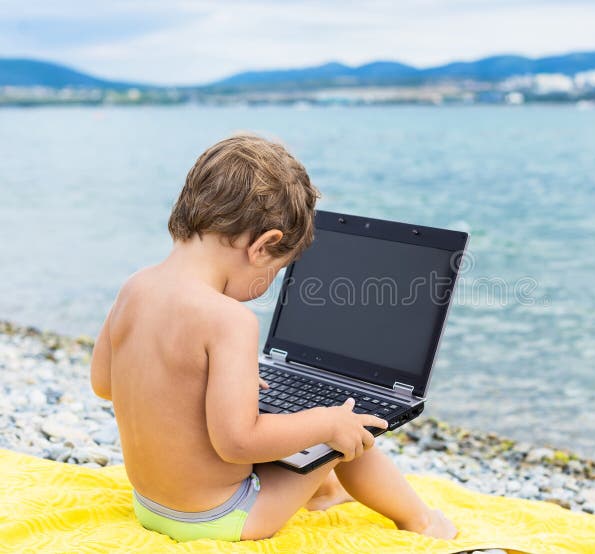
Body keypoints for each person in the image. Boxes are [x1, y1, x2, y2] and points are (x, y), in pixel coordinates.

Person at [89, 134, 458, 542]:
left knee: (314, 428)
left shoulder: (135, 287)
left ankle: (323, 490)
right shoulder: (230, 319)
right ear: (265, 246)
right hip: (219, 517)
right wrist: (324, 422)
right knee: (350, 431)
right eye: (278, 271)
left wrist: (202, 387)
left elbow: (105, 384)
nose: (270, 284)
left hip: (151, 504)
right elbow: (237, 443)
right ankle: (422, 522)